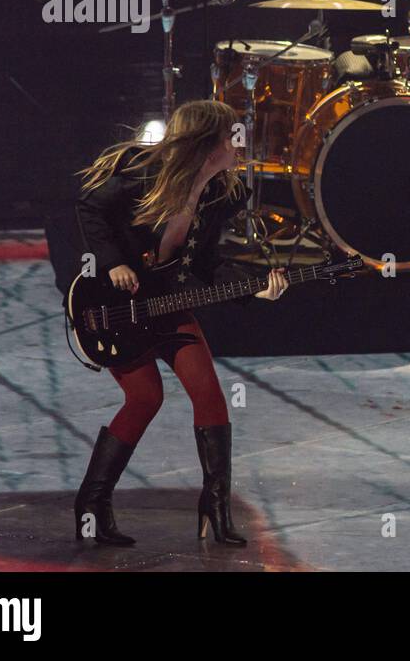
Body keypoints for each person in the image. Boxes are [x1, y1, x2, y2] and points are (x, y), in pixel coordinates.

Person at [72, 100, 288, 546]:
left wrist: (255, 287)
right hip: (116, 306)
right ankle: (92, 503)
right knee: (145, 396)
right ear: (209, 143)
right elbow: (89, 207)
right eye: (234, 135)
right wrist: (111, 263)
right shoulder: (143, 174)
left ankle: (215, 507)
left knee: (209, 394)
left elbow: (207, 266)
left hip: (168, 302)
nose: (240, 144)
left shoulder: (219, 195)